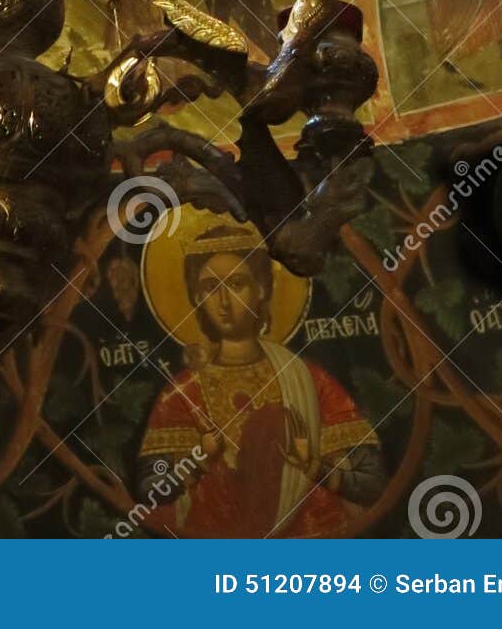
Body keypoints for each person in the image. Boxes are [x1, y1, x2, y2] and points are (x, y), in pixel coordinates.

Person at [138, 227, 383, 537]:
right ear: (196, 297)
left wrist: (314, 466)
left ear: (263, 289)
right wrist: (198, 458)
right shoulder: (181, 395)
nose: (224, 301)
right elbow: (150, 492)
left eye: (237, 284)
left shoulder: (308, 381)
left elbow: (370, 481)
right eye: (211, 287)